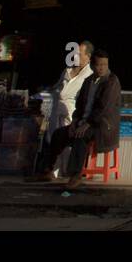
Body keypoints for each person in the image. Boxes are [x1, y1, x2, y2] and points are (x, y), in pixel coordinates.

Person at [40, 50, 121, 189]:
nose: (101, 68)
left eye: (104, 64)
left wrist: (86, 125)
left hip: (102, 125)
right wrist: (75, 122)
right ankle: (48, 169)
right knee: (59, 134)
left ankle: (75, 176)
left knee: (80, 137)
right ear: (93, 65)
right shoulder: (89, 81)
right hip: (83, 122)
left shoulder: (111, 81)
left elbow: (103, 108)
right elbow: (79, 105)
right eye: (98, 65)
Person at [37, 40, 94, 177]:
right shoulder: (67, 70)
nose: (76, 57)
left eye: (79, 54)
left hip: (72, 113)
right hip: (57, 110)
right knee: (53, 139)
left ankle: (67, 171)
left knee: (68, 141)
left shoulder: (89, 75)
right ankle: (51, 171)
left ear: (88, 56)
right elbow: (57, 88)